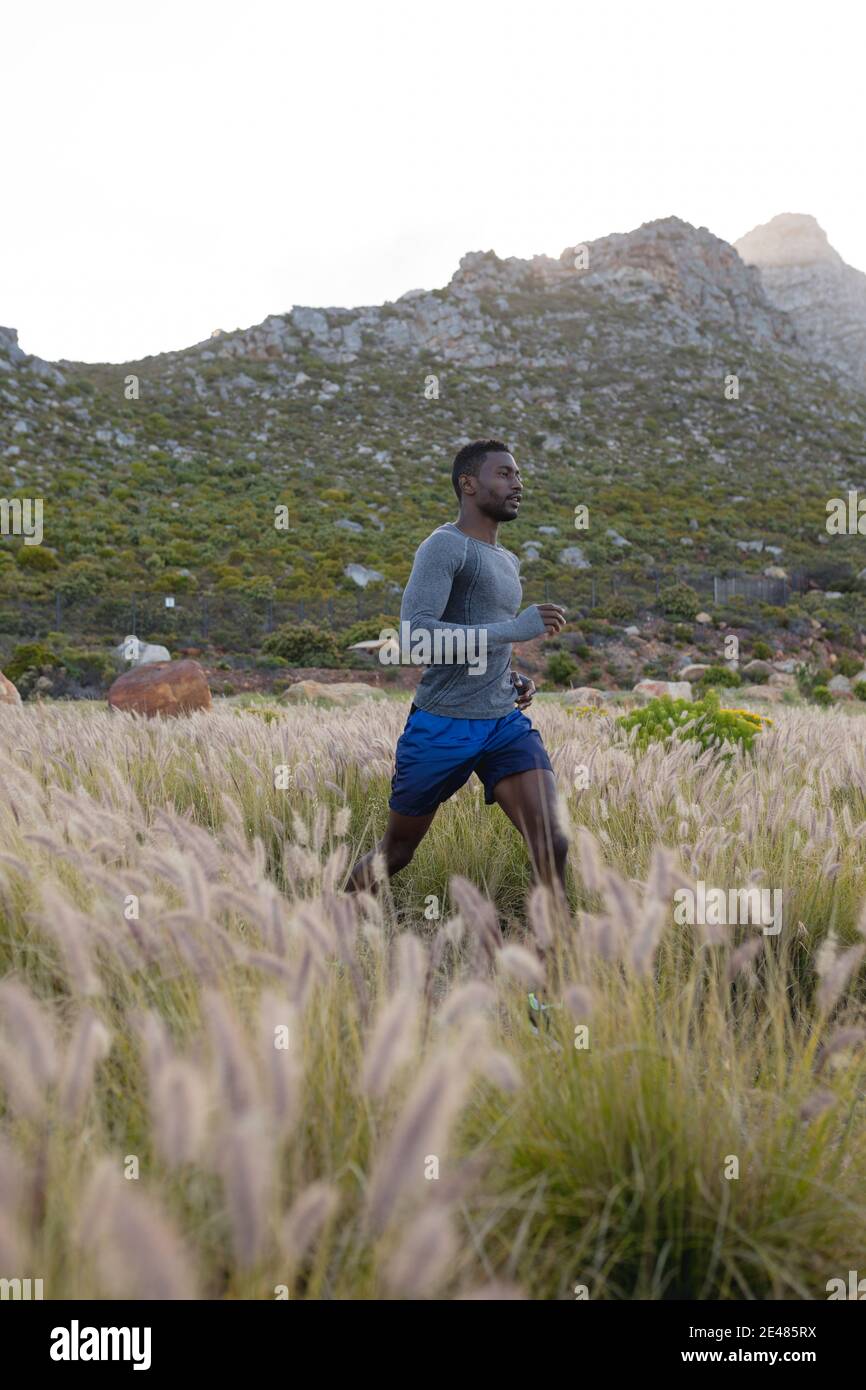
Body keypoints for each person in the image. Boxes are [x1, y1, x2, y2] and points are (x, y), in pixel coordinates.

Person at [346, 438, 569, 901]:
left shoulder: (508, 560)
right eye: (504, 474)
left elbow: (481, 640)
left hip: (503, 724)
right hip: (443, 724)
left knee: (552, 841)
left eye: (519, 475)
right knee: (397, 852)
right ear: (469, 484)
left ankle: (555, 961)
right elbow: (417, 639)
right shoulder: (443, 547)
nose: (517, 483)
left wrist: (509, 676)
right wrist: (515, 629)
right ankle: (333, 919)